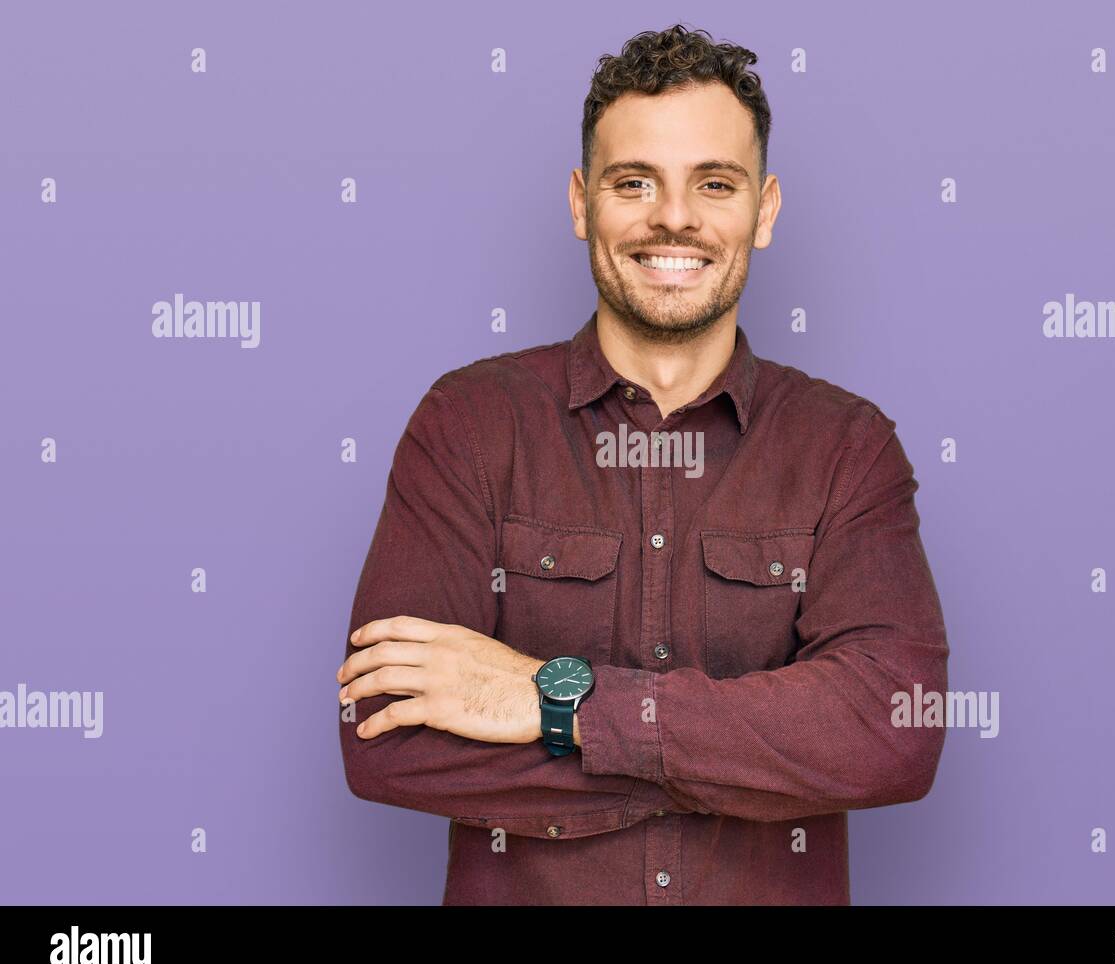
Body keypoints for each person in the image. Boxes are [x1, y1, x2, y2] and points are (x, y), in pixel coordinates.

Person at [337, 23, 949, 905]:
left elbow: (892, 729)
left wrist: (558, 703)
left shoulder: (847, 449)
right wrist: (740, 762)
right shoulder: (468, 425)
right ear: (583, 203)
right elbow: (383, 737)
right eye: (635, 183)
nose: (674, 217)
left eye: (714, 183)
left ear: (764, 211)